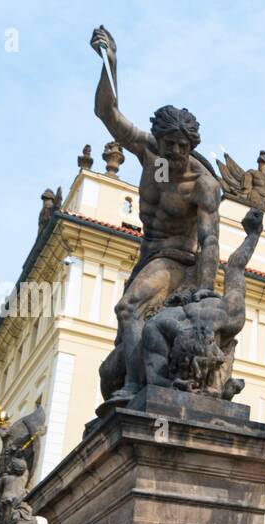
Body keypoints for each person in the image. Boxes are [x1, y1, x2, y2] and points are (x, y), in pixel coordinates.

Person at [89, 25, 223, 404]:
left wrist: (205, 289)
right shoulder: (150, 154)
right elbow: (106, 111)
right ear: (159, 139)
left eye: (184, 145)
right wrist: (110, 64)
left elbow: (210, 239)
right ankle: (134, 380)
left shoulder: (202, 184)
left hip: (178, 259)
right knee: (122, 337)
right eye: (170, 144)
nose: (176, 152)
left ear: (192, 145)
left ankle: (133, 389)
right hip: (147, 256)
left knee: (128, 307)